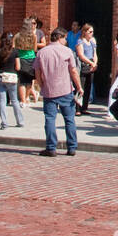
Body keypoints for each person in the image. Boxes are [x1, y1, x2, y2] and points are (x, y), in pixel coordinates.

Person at [35, 26, 81, 157]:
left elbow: (37, 71)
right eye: (65, 38)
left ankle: (51, 147)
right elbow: (73, 71)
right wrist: (79, 86)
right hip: (65, 89)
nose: (66, 41)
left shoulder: (42, 52)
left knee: (50, 118)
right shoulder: (67, 51)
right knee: (69, 119)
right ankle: (71, 147)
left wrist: (41, 84)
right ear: (60, 38)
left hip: (49, 89)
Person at [0, 32, 24, 130]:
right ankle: (20, 121)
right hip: (11, 77)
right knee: (14, 100)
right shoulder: (15, 52)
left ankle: (4, 123)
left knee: (2, 100)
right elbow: (18, 67)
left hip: (0, 76)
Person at [74, 23, 98, 115]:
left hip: (91, 65)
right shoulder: (80, 42)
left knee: (88, 86)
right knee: (81, 86)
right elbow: (81, 55)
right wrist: (90, 63)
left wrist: (95, 63)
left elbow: (95, 54)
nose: (92, 33)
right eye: (90, 32)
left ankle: (84, 107)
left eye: (92, 32)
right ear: (84, 32)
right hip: (84, 65)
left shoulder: (92, 42)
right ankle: (78, 108)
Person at [14, 20, 38, 107]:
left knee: (22, 81)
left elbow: (14, 47)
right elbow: (35, 49)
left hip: (21, 58)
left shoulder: (17, 36)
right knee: (29, 81)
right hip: (31, 59)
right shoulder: (34, 36)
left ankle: (23, 101)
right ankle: (27, 97)